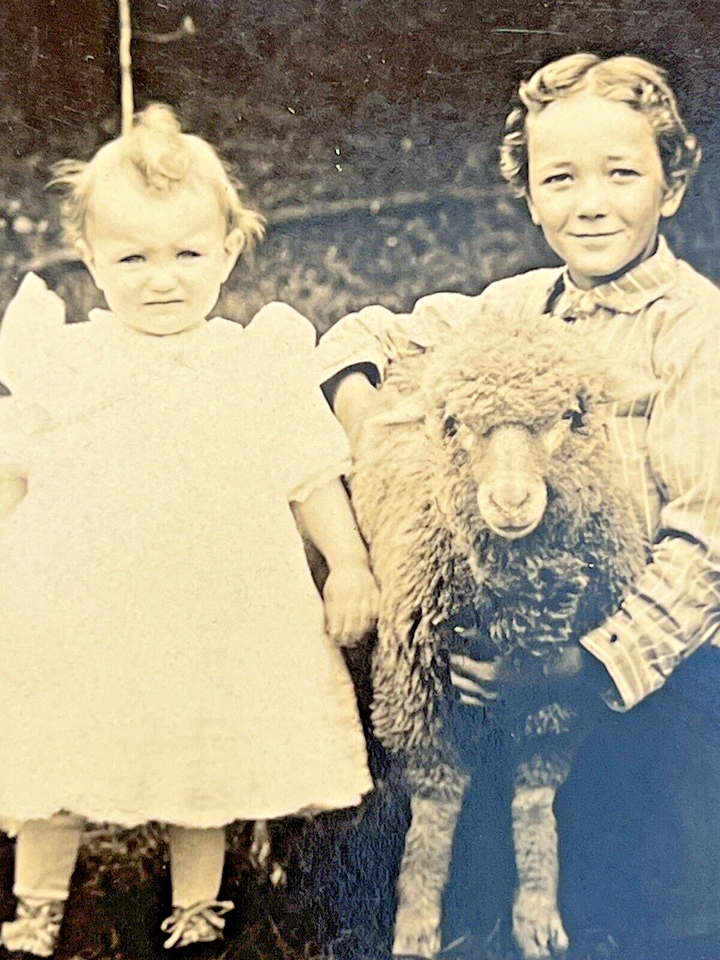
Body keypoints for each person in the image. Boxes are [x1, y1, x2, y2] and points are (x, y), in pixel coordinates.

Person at [0, 104, 377, 957]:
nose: (161, 280)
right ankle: (37, 901)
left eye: (187, 255)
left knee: (204, 745)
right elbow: (13, 468)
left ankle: (197, 904)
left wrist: (348, 563)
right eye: (132, 259)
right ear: (89, 257)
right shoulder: (68, 363)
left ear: (229, 252)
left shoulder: (251, 366)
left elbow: (310, 474)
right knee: (58, 733)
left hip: (212, 606)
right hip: (87, 604)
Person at [317, 51, 720, 719]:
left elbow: (707, 542)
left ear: (670, 187)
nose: (590, 205)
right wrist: (368, 424)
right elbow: (362, 335)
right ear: (531, 200)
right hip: (529, 639)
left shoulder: (697, 330)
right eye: (560, 179)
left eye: (621, 174)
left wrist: (583, 667)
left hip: (666, 666)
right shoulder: (518, 308)